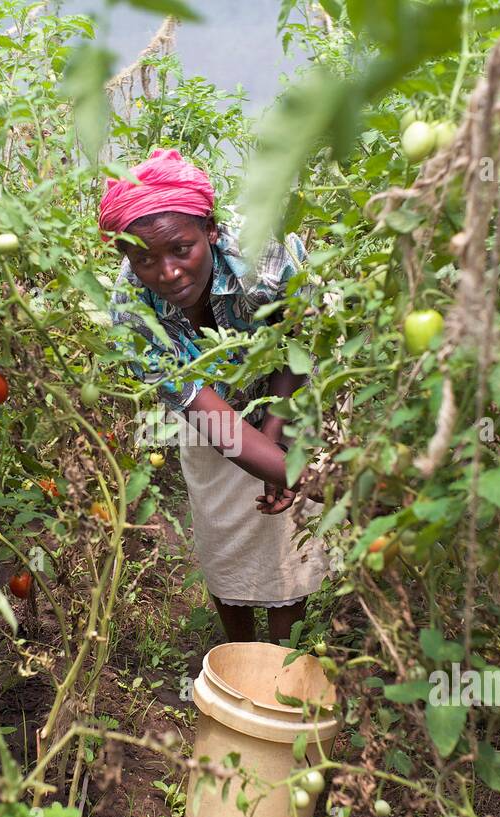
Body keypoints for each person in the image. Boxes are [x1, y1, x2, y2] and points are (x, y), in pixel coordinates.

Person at [99, 148, 329, 643]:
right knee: (224, 529)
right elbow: (219, 424)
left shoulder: (263, 252)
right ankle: (241, 655)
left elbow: (295, 335)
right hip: (212, 416)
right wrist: (324, 484)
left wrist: (277, 436)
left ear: (211, 231)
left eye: (182, 249)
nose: (168, 272)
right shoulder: (131, 316)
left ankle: (282, 661)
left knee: (286, 538)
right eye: (143, 259)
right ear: (126, 258)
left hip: (288, 385)